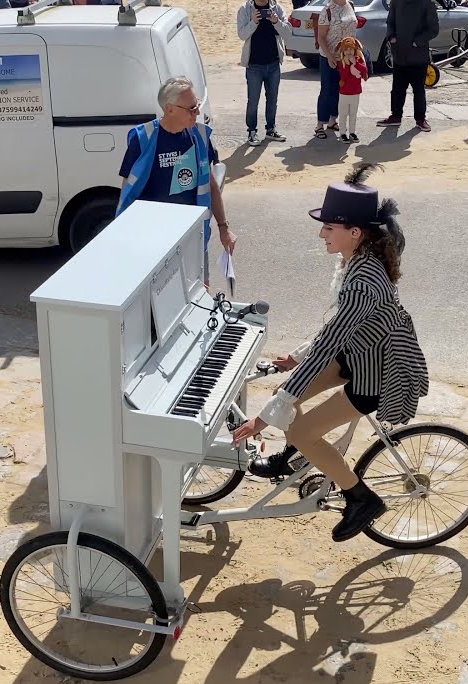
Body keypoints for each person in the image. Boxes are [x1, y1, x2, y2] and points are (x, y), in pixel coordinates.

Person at [233, 162, 429, 543]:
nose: (321, 232)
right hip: (356, 354)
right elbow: (335, 329)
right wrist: (297, 357)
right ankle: (297, 455)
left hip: (374, 373)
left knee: (302, 427)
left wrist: (261, 421)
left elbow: (328, 345)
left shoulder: (362, 283)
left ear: (355, 233)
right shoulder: (358, 259)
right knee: (284, 399)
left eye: (329, 227)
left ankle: (361, 498)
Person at [117, 77, 237, 285]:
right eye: (192, 109)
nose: (197, 113)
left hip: (192, 235)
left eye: (197, 105)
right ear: (170, 109)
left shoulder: (199, 136)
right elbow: (127, 191)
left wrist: (224, 228)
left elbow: (210, 186)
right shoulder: (142, 139)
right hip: (152, 239)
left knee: (200, 291)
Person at [237, 0, 292, 147]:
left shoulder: (277, 8)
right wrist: (254, 22)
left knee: (272, 99)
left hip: (273, 64)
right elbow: (242, 34)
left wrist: (276, 21)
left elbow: (287, 32)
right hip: (254, 65)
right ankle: (252, 132)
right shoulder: (245, 9)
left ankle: (271, 129)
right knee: (253, 101)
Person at [378, 0, 439, 132]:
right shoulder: (396, 2)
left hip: (417, 56)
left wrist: (418, 42)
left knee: (419, 91)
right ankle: (395, 116)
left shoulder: (427, 3)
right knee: (397, 89)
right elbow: (390, 22)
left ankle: (420, 119)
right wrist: (391, 37)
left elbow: (433, 29)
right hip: (399, 53)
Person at [313, 0, 356, 140]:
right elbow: (321, 36)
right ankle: (320, 124)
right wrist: (330, 55)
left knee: (341, 90)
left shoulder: (350, 5)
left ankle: (333, 120)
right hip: (329, 57)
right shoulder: (327, 10)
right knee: (326, 90)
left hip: (346, 58)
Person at [333, 37, 369, 143]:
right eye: (346, 50)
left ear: (355, 50)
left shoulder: (358, 60)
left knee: (353, 114)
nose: (349, 52)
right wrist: (348, 65)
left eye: (351, 49)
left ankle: (352, 132)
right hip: (344, 93)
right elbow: (344, 75)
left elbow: (364, 69)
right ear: (343, 51)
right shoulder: (342, 63)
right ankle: (343, 133)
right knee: (343, 114)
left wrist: (355, 63)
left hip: (355, 92)